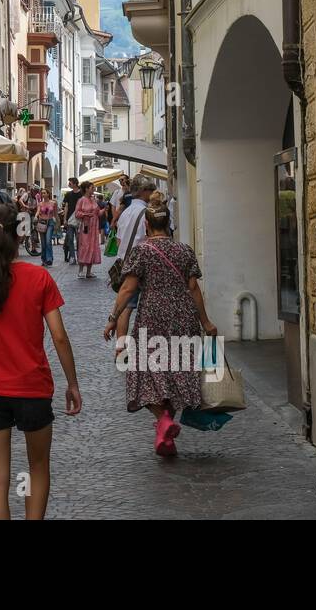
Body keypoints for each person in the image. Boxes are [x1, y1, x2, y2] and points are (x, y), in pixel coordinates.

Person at [0, 204, 82, 520]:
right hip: (32, 386)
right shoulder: (39, 278)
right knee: (36, 468)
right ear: (19, 234)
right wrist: (72, 383)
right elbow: (59, 336)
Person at [103, 192, 218, 457]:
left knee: (146, 373)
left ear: (146, 226)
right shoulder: (184, 250)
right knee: (178, 371)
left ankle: (164, 422)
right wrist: (206, 321)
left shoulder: (141, 252)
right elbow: (193, 288)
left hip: (153, 318)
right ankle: (164, 436)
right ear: (168, 225)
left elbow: (127, 289)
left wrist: (112, 320)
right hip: (183, 318)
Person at [113, 175, 155, 340]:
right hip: (142, 265)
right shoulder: (147, 213)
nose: (152, 193)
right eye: (151, 190)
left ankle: (120, 348)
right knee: (149, 306)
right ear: (144, 192)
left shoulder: (125, 212)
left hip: (125, 263)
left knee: (125, 308)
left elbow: (118, 240)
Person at [74, 181, 102, 279]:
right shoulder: (81, 200)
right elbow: (77, 213)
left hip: (94, 227)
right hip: (85, 226)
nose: (93, 189)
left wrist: (105, 210)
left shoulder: (93, 200)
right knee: (84, 246)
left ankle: (89, 271)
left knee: (92, 246)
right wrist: (86, 215)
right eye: (92, 187)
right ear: (86, 189)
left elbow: (98, 213)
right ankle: (81, 270)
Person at [61, 177, 81, 264]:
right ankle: (72, 257)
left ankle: (80, 256)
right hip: (70, 219)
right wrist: (65, 219)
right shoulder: (68, 194)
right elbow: (66, 207)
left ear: (75, 183)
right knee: (70, 239)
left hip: (80, 219)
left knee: (79, 239)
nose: (69, 184)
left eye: (70, 183)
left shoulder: (82, 193)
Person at [36, 189, 58, 267]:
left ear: (48, 194)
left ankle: (49, 259)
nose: (43, 194)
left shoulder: (53, 203)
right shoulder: (40, 203)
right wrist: (36, 216)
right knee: (43, 243)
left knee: (48, 241)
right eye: (42, 193)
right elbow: (38, 211)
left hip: (50, 222)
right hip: (42, 223)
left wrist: (57, 224)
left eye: (44, 193)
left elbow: (56, 214)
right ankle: (44, 259)